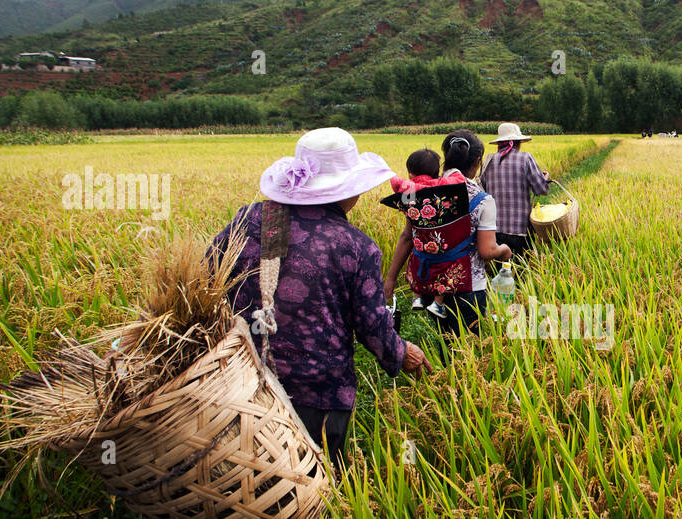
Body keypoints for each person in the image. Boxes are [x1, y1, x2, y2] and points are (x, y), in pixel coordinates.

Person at [210, 127, 432, 466]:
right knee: (314, 478)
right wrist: (403, 353)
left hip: (238, 380)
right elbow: (372, 325)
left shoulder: (248, 219)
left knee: (247, 473)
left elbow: (205, 278)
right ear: (347, 190)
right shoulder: (356, 246)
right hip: (316, 392)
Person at [384, 129, 511, 338]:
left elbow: (408, 237)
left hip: (429, 281)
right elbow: (487, 251)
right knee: (468, 349)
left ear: (446, 156)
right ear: (477, 161)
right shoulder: (483, 199)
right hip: (468, 286)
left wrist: (390, 279)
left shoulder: (422, 191)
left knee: (445, 341)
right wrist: (505, 251)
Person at [388, 147, 467, 320]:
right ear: (436, 172)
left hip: (421, 249)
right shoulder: (443, 187)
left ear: (410, 173)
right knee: (445, 276)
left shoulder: (408, 190)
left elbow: (395, 182)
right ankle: (438, 304)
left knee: (417, 262)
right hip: (444, 249)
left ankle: (417, 298)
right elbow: (459, 179)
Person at [479, 122, 550, 262]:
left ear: (500, 143)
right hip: (520, 229)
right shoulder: (525, 158)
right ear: (517, 142)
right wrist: (545, 178)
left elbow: (484, 191)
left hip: (494, 231)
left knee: (499, 272)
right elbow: (541, 189)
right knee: (521, 272)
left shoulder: (488, 161)